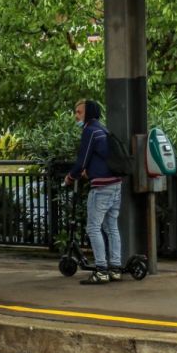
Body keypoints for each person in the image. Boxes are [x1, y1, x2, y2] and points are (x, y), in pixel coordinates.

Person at [64, 99, 123, 284]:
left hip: (102, 187)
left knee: (93, 227)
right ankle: (115, 268)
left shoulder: (90, 131)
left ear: (88, 113)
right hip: (116, 184)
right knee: (111, 227)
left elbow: (83, 159)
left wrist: (70, 177)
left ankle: (101, 270)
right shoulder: (103, 129)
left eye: (79, 112)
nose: (76, 116)